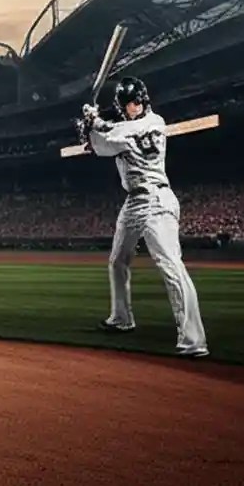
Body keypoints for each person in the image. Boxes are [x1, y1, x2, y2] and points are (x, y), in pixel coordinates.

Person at [81, 77, 209, 358]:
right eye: (129, 103)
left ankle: (193, 341)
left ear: (144, 100)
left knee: (171, 266)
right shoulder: (125, 128)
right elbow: (101, 144)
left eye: (137, 101)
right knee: (118, 261)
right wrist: (92, 128)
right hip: (134, 201)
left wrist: (94, 122)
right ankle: (121, 318)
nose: (134, 106)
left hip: (155, 197)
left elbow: (110, 137)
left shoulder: (153, 122)